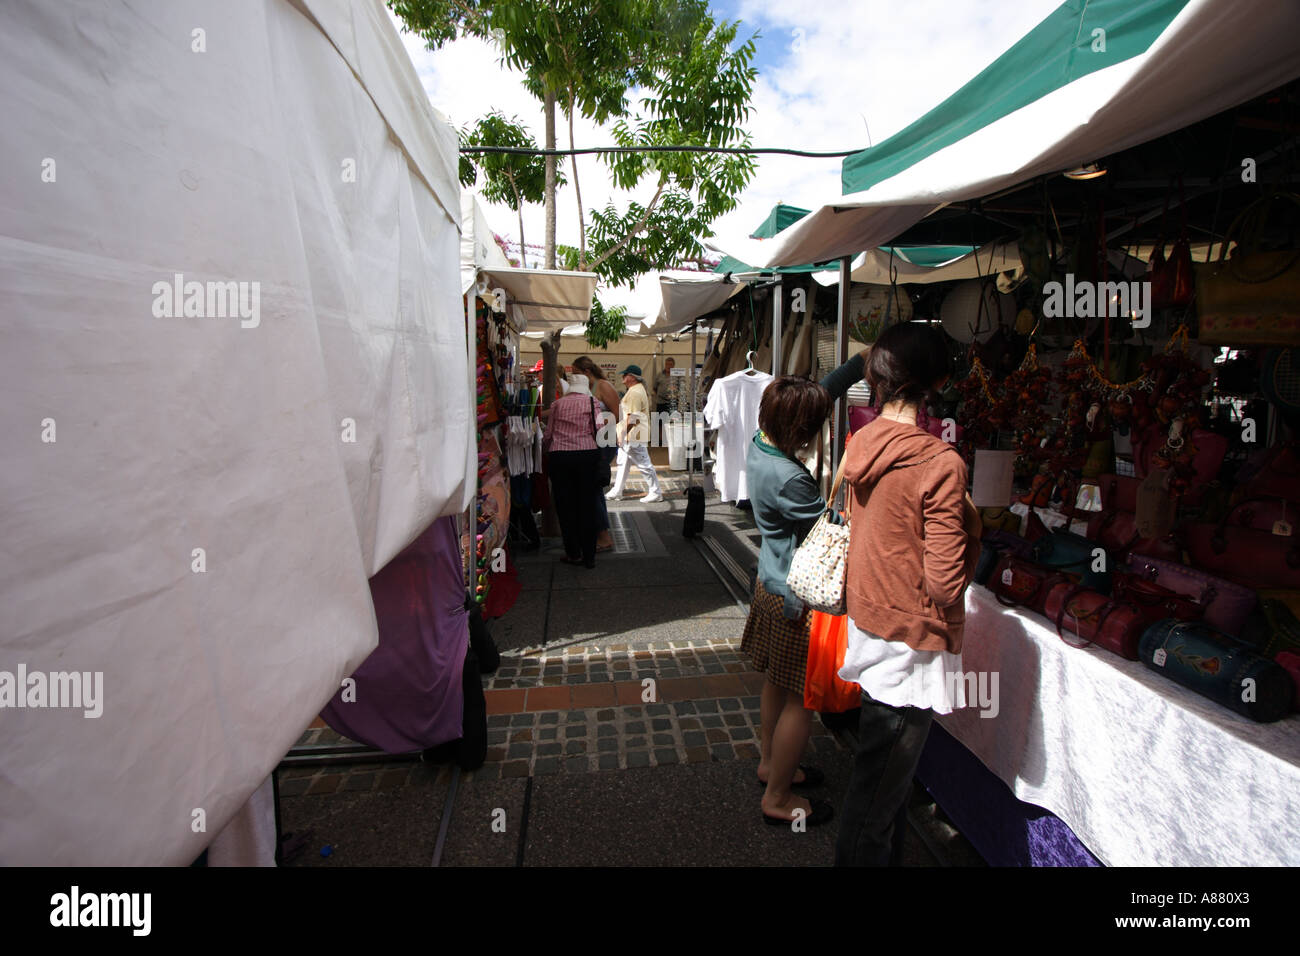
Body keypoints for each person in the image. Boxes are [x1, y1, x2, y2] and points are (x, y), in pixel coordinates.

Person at [833, 322, 981, 866]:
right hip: (909, 643)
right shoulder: (939, 462)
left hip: (870, 625)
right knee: (875, 803)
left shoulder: (862, 443)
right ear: (937, 381)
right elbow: (943, 581)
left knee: (882, 793)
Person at [743, 350, 870, 827]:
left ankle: (768, 764)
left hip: (770, 585)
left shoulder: (761, 442)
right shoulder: (791, 479)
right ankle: (777, 798)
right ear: (802, 429)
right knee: (802, 697)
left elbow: (818, 395)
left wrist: (858, 364)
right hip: (797, 599)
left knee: (776, 681)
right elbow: (830, 532)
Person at [542, 371, 604, 568]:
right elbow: (600, 430)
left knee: (565, 506)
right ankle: (589, 556)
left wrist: (545, 451)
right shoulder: (591, 403)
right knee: (587, 505)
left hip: (560, 458)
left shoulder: (557, 405)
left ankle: (573, 553)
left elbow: (548, 434)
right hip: (587, 457)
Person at [572, 355, 621, 553]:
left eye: (576, 374)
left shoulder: (603, 386)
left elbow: (617, 415)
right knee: (591, 486)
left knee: (593, 485)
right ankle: (598, 531)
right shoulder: (583, 389)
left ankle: (603, 536)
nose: (573, 378)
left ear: (587, 372)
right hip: (591, 442)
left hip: (604, 442)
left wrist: (596, 428)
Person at [606, 365, 664, 504]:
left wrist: (622, 434)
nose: (622, 377)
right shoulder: (636, 390)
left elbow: (633, 417)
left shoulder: (634, 393)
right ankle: (617, 491)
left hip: (633, 435)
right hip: (633, 435)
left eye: (625, 375)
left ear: (631, 377)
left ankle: (656, 492)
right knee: (623, 463)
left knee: (643, 464)